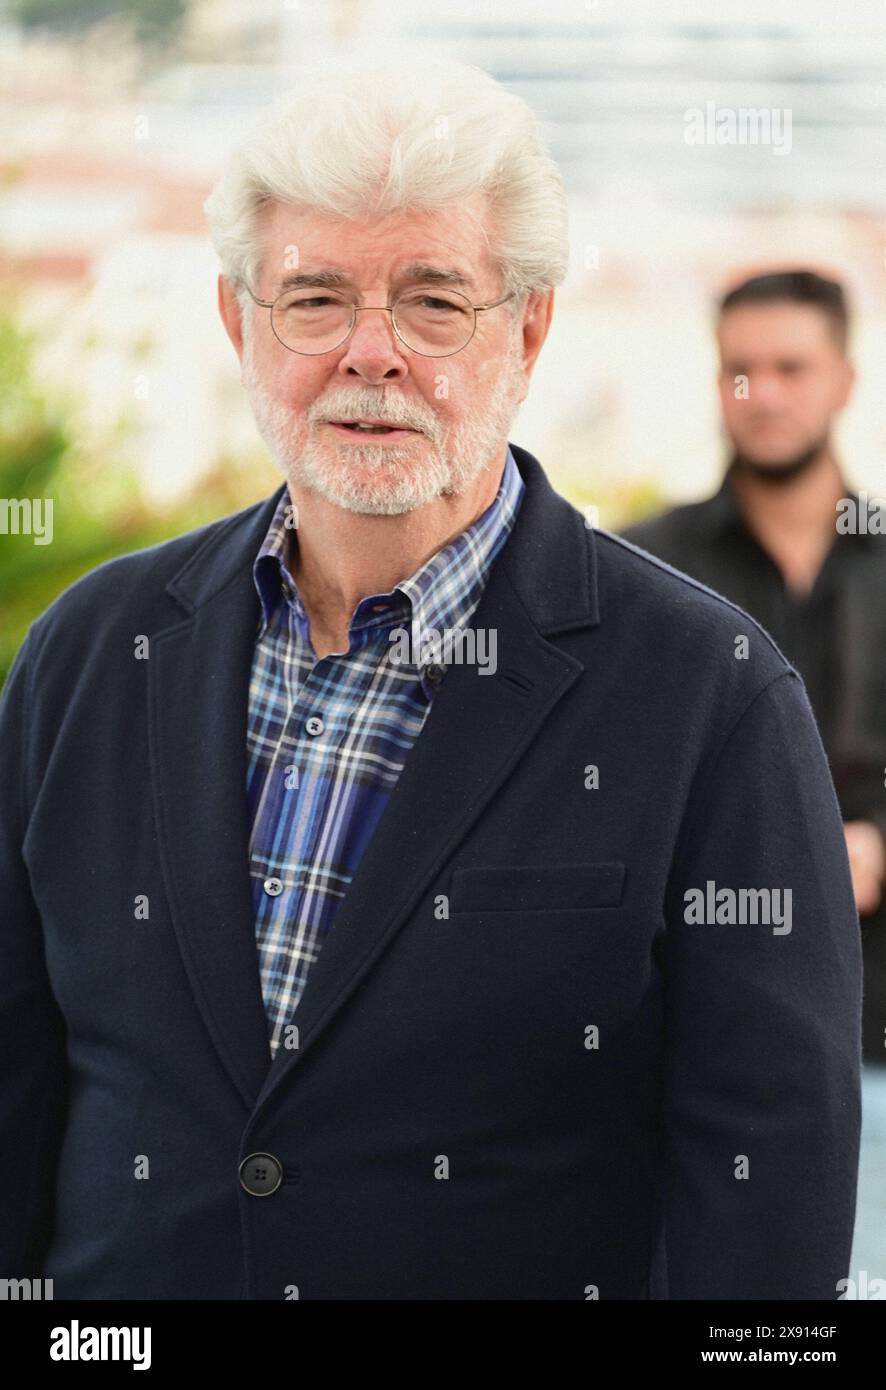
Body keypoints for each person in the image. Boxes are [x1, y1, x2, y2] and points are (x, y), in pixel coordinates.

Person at [0, 63, 861, 1301]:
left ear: (528, 328)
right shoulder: (90, 649)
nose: (371, 352)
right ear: (240, 323)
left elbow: (765, 1183)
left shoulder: (710, 697)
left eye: (433, 300)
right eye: (315, 297)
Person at [621, 270, 886, 1063]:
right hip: (703, 1028)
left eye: (791, 369)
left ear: (844, 380)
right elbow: (610, 769)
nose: (762, 394)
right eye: (741, 369)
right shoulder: (645, 570)